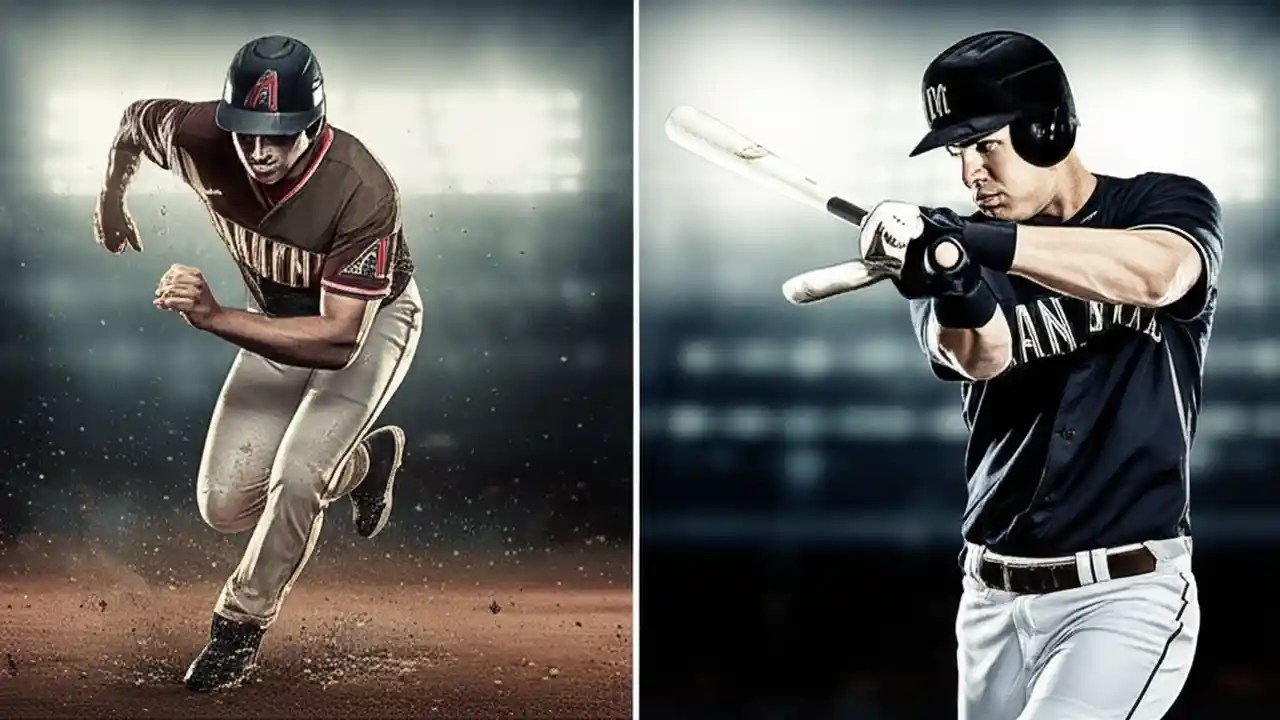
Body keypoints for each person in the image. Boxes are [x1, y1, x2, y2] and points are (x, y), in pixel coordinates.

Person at [857, 29, 1221, 719]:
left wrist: (974, 241)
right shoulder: (945, 251)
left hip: (1123, 594)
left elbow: (1159, 274)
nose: (970, 174)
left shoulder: (1163, 205)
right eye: (959, 153)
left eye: (985, 145)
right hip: (989, 601)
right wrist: (950, 272)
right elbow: (981, 354)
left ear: (1047, 128)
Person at [91, 34, 423, 692]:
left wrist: (215, 317)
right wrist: (109, 200)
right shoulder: (197, 136)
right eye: (247, 132)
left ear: (314, 125)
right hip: (273, 318)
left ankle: (238, 628)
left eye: (280, 134)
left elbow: (338, 341)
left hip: (370, 322)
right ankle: (365, 463)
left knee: (298, 475)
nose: (260, 150)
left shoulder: (361, 187)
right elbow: (131, 123)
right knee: (224, 504)